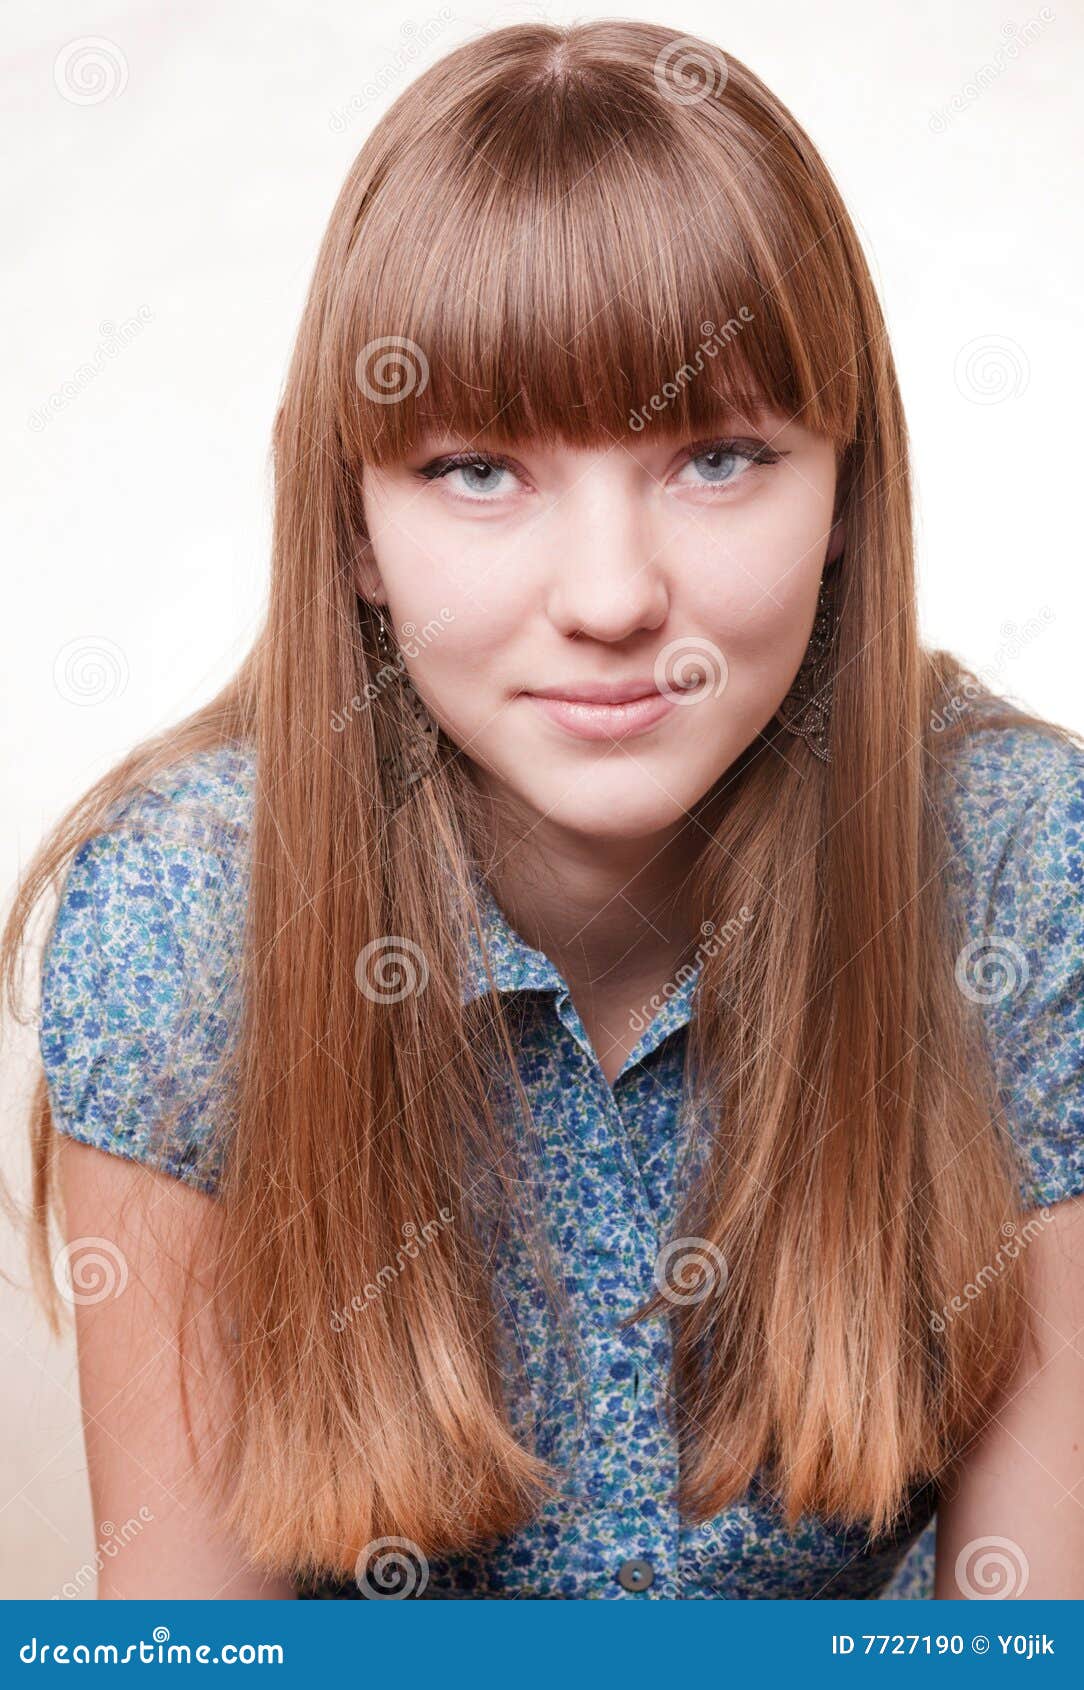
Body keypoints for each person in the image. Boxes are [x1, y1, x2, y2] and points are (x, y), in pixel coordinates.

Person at [4, 19, 1083, 1601]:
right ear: (350, 526)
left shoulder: (1022, 870)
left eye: (719, 456)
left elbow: (1025, 1639)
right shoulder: (184, 920)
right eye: (478, 470)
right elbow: (196, 1650)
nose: (611, 596)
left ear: (848, 491)